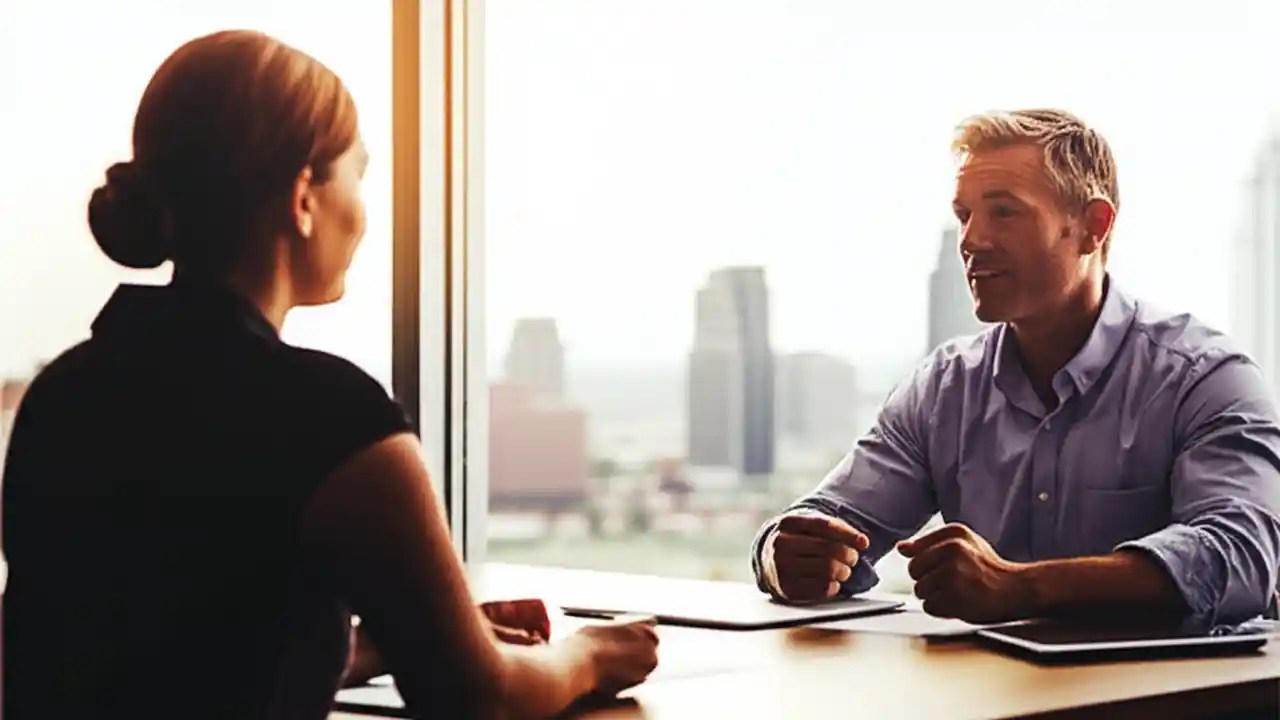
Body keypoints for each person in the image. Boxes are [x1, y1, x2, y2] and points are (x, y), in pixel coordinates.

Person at [2, 30, 657, 720]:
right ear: (303, 196)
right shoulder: (329, 419)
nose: (365, 216)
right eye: (357, 176)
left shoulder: (63, 397)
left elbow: (162, 654)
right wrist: (588, 655)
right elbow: (481, 696)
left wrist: (391, 640)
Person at [752, 108, 1280, 629]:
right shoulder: (943, 390)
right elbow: (823, 522)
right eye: (964, 215)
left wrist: (1021, 587)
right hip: (996, 684)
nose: (971, 240)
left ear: (1092, 227)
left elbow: (1242, 556)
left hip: (1180, 686)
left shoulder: (1204, 379)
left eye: (1004, 212)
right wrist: (784, 555)